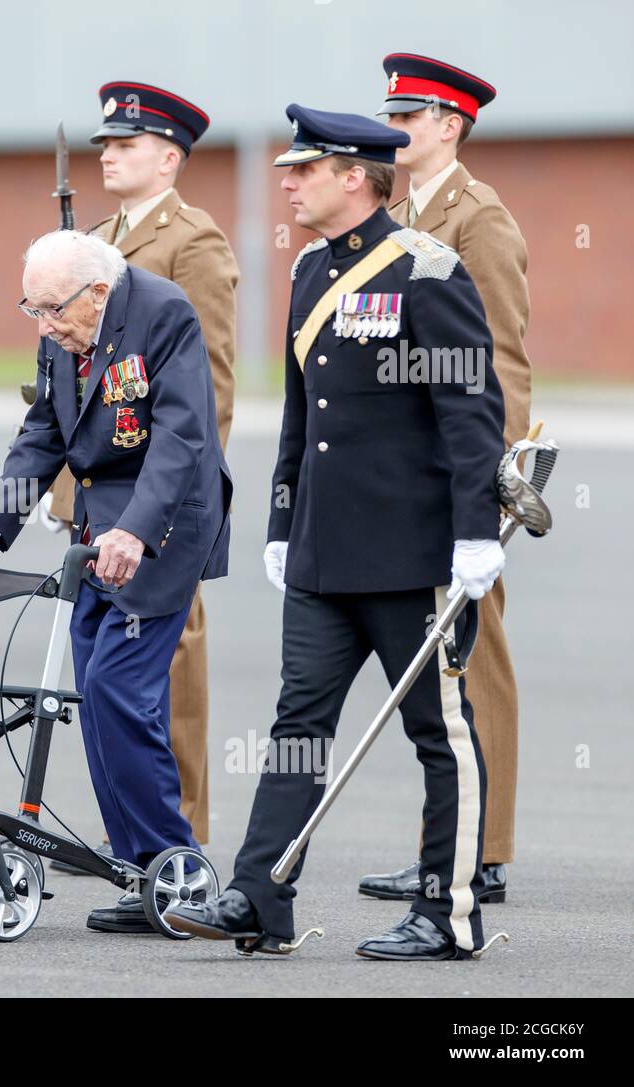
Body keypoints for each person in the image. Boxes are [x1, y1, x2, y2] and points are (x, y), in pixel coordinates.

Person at [169, 106, 506, 960]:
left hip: (411, 553)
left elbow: (470, 414)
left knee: (440, 732)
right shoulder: (315, 268)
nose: (287, 183)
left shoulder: (428, 270)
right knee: (297, 726)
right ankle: (259, 896)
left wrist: (475, 534)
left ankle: (448, 912)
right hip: (325, 549)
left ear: (356, 175)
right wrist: (284, 517)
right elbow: (300, 413)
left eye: (303, 170)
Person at [0, 228, 232, 933]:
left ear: (98, 292)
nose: (43, 327)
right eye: (33, 310)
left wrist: (136, 529)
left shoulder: (164, 313)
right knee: (97, 694)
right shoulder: (63, 325)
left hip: (160, 530)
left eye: (52, 311)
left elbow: (180, 434)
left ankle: (176, 863)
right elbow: (43, 431)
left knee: (119, 689)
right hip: (94, 535)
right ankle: (142, 871)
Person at [46, 80, 238, 869]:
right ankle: (130, 825)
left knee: (166, 662)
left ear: (169, 156)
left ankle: (178, 829)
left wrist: (169, 508)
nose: (108, 154)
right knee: (106, 673)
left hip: (160, 505)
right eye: (104, 144)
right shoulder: (92, 237)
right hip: (99, 492)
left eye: (126, 144)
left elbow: (207, 387)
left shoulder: (193, 243)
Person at [360, 53, 528, 905]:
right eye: (387, 118)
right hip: (405, 465)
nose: (392, 132)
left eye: (407, 120)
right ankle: (444, 844)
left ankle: (483, 850)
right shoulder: (393, 213)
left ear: (450, 125)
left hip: (461, 469)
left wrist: (494, 480)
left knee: (472, 655)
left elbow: (500, 359)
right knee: (431, 668)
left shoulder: (479, 219)